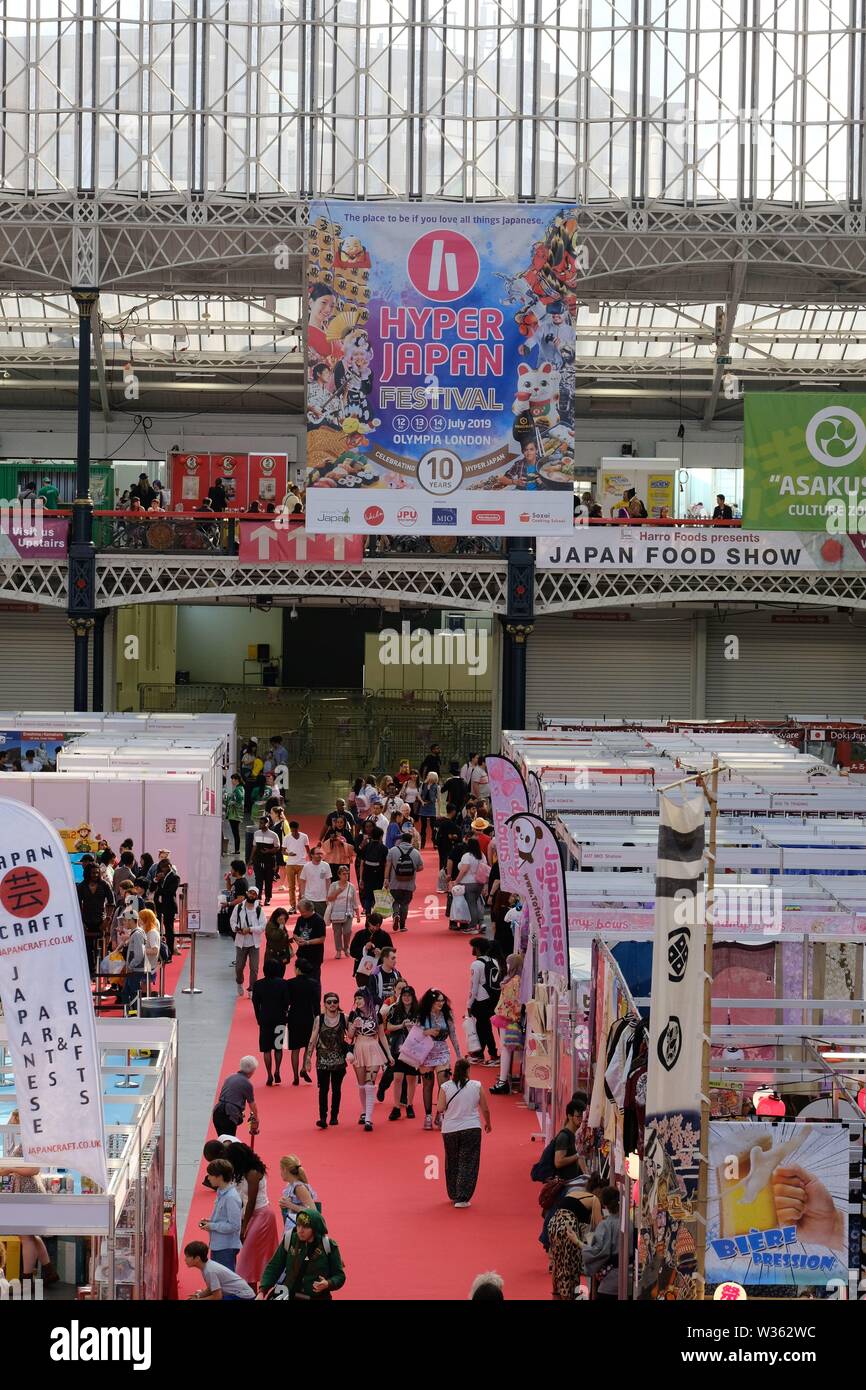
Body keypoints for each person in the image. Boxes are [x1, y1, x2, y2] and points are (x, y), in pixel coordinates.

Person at [437, 1056, 491, 1207]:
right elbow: (485, 1108)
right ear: (468, 1070)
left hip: (450, 1129)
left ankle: (453, 1191)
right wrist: (488, 1123)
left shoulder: (445, 1087)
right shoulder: (476, 1085)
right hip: (471, 1127)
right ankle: (462, 1196)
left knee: (452, 1160)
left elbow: (440, 1108)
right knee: (468, 1161)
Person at [260, 1208, 346, 1301]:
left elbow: (340, 1276)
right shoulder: (290, 1240)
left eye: (305, 1227)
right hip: (289, 1295)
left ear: (314, 1228)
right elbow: (274, 1267)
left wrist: (328, 1283)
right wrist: (262, 1291)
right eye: (298, 1225)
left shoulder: (328, 1246)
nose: (300, 1230)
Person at [230, 1143, 278, 1292]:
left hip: (262, 1216)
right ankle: (254, 1292)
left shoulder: (253, 1173)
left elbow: (251, 1201)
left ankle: (256, 1292)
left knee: (247, 1256)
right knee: (252, 1258)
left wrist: (243, 1227)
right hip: (251, 1216)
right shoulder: (243, 1171)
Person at [548, 1174, 603, 1300]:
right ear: (598, 1189)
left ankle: (556, 1294)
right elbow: (599, 1226)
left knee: (558, 1262)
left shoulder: (576, 1193)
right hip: (568, 1228)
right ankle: (568, 1296)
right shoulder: (594, 1199)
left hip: (554, 1224)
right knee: (570, 1265)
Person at [345, 987, 393, 1131]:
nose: (357, 1001)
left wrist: (389, 1055)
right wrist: (354, 1025)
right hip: (358, 1047)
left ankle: (369, 1118)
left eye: (359, 998)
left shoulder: (377, 1015)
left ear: (366, 999)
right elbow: (349, 1037)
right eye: (356, 999)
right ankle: (364, 1111)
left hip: (373, 1048)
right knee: (361, 1085)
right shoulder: (353, 1015)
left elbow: (382, 1035)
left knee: (369, 1082)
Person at [417, 988, 462, 1130]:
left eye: (442, 1001)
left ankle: (440, 1113)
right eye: (438, 1001)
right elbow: (415, 1034)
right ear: (431, 1001)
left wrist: (459, 1055)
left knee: (444, 1084)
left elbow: (453, 1035)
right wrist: (427, 1032)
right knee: (428, 1085)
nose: (441, 1003)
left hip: (442, 1051)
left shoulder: (446, 1015)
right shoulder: (423, 1016)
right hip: (426, 1052)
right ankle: (428, 1115)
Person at [306, 990, 350, 1127]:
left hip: (339, 1060)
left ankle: (334, 1116)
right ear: (324, 1004)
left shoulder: (345, 1018)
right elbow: (313, 1039)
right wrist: (308, 1058)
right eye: (329, 1002)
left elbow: (352, 1035)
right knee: (323, 1089)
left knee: (336, 1089)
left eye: (335, 1002)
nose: (332, 1004)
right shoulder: (319, 1019)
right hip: (322, 1060)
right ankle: (323, 1117)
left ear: (338, 1003)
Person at [251, 958, 291, 1086]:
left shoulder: (258, 984)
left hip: (265, 1018)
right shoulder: (284, 983)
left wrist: (258, 1016)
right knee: (278, 1047)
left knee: (266, 1049)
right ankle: (277, 1070)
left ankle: (269, 1074)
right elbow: (287, 1001)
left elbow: (255, 1002)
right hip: (280, 1018)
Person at [199, 1158, 244, 1271]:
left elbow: (234, 1225)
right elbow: (224, 1218)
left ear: (219, 1177)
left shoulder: (231, 1197)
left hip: (225, 1247)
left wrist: (212, 1226)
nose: (208, 1178)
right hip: (220, 1244)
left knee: (225, 1281)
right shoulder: (222, 1192)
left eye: (210, 1175)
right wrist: (211, 1222)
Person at [490, 953, 525, 1094]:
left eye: (509, 963)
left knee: (505, 1049)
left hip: (508, 1018)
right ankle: (503, 1079)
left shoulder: (514, 981)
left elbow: (511, 1002)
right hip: (509, 1018)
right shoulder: (515, 979)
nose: (507, 965)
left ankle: (503, 1081)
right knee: (506, 1048)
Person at [385, 982, 420, 1121]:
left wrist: (414, 1027)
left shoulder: (418, 1011)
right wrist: (401, 1025)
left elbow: (423, 1028)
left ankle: (410, 1105)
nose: (406, 998)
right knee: (398, 1078)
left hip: (413, 1049)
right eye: (404, 995)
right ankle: (397, 1107)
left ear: (413, 997)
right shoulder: (394, 1009)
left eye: (409, 995)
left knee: (411, 1078)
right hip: (398, 1047)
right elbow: (388, 1026)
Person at [466, 936, 501, 1066]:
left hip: (481, 1000)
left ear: (478, 948)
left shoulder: (476, 964)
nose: (472, 951)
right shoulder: (494, 961)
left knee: (484, 1028)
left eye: (473, 948)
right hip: (493, 999)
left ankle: (490, 1054)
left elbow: (473, 986)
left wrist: (469, 1004)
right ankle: (481, 1054)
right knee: (483, 1028)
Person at [581, 1187, 621, 1299]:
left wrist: (578, 1242)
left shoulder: (605, 1225)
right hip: (630, 1275)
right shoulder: (629, 1222)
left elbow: (596, 1252)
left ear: (604, 1204)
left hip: (611, 1278)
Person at [285, 957, 320, 1085]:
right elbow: (316, 1003)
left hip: (294, 1017)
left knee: (295, 1048)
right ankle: (304, 1069)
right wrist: (318, 1018)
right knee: (307, 1045)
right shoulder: (314, 983)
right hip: (308, 1017)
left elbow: (287, 1001)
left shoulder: (289, 983)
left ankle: (295, 1077)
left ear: (298, 969)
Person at [77, 861, 115, 975]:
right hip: (86, 922)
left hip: (101, 922)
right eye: (93, 873)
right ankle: (90, 972)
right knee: (88, 949)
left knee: (100, 949)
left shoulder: (105, 885)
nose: (95, 875)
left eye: (97, 873)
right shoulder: (81, 886)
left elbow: (111, 903)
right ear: (88, 873)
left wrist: (107, 920)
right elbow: (77, 905)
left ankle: (100, 971)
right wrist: (81, 923)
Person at [184, 1241, 256, 1300]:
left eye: (187, 1256)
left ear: (197, 1258)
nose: (185, 1259)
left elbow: (217, 1297)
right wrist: (198, 1296)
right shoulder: (207, 1266)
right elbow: (211, 1288)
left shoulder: (209, 1271)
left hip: (243, 1296)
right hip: (240, 1294)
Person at [383, 826, 423, 933]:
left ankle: (396, 915)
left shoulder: (393, 850)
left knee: (395, 901)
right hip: (409, 883)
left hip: (395, 882)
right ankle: (402, 925)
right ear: (410, 840)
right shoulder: (415, 852)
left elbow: (388, 865)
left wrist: (386, 879)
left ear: (400, 840)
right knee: (405, 903)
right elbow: (421, 867)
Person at [212, 1056, 260, 1139]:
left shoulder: (229, 1078)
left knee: (222, 1140)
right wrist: (256, 1118)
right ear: (252, 1071)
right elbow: (252, 1104)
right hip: (229, 1114)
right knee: (229, 1142)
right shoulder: (247, 1084)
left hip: (217, 1111)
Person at [232, 883, 265, 997]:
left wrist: (250, 929)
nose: (252, 895)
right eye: (250, 893)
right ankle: (239, 982)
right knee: (239, 967)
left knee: (254, 968)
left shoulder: (259, 910)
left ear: (257, 896)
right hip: (241, 942)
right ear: (247, 893)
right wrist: (237, 929)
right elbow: (232, 921)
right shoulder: (239, 907)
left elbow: (262, 927)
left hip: (254, 943)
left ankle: (252, 988)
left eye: (254, 894)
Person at [453, 836, 487, 933]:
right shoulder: (482, 855)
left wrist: (456, 881)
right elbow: (485, 869)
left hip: (468, 883)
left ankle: (472, 926)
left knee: (471, 904)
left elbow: (464, 870)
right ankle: (480, 923)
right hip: (479, 883)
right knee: (477, 903)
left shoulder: (467, 856)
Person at [326, 863, 359, 959]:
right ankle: (338, 950)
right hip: (336, 913)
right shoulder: (334, 885)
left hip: (348, 912)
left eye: (347, 874)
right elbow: (329, 898)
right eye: (344, 874)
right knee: (337, 933)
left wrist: (357, 914)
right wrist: (337, 892)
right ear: (339, 875)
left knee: (347, 931)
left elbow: (354, 901)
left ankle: (346, 948)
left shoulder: (351, 886)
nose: (346, 876)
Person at [278, 1156, 318, 1235]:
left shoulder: (299, 1187)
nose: (280, 1173)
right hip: (295, 1227)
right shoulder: (290, 1185)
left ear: (285, 1170)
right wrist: (284, 1205)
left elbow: (313, 1211)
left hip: (302, 1230)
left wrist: (290, 1205)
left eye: (280, 1169)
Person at [349, 911, 392, 979]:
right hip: (362, 969)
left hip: (380, 969)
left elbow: (391, 953)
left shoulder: (385, 936)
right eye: (373, 925)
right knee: (364, 989)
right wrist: (364, 949)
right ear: (369, 923)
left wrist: (381, 953)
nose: (375, 928)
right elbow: (352, 952)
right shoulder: (359, 935)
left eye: (378, 926)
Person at [358, 822, 388, 916]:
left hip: (367, 874)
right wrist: (387, 878)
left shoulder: (366, 847)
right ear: (380, 837)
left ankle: (367, 914)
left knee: (368, 897)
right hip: (379, 875)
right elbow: (387, 864)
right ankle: (377, 916)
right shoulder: (384, 848)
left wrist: (361, 878)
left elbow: (362, 864)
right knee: (378, 896)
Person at [292, 899, 327, 978]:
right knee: (300, 977)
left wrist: (307, 942)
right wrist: (298, 939)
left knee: (314, 978)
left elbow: (322, 939)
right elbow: (295, 933)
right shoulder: (300, 919)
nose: (302, 914)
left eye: (303, 912)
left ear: (310, 910)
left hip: (314, 955)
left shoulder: (319, 920)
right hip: (302, 953)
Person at [153, 856, 180, 957]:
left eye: (164, 867)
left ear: (169, 866)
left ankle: (170, 952)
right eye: (161, 868)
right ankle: (160, 951)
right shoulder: (160, 877)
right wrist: (156, 880)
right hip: (159, 905)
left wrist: (160, 890)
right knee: (158, 927)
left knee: (169, 929)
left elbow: (170, 891)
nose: (162, 870)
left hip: (169, 906)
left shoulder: (175, 877)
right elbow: (152, 887)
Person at [251, 814, 280, 906]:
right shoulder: (256, 833)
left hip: (269, 860)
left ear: (268, 824)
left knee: (268, 880)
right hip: (258, 860)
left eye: (263, 823)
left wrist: (269, 851)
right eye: (260, 823)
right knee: (258, 880)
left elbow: (277, 847)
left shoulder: (273, 835)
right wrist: (250, 860)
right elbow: (254, 847)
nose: (261, 824)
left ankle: (267, 898)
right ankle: (258, 897)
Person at [282, 819, 310, 910]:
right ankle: (293, 905)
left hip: (302, 863)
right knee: (291, 886)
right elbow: (283, 851)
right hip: (290, 864)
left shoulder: (304, 836)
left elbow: (308, 849)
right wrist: (288, 854)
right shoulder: (287, 837)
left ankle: (301, 904)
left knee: (302, 886)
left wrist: (310, 860)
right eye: (292, 830)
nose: (294, 832)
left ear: (298, 828)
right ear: (290, 829)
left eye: (295, 830)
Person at [299, 843, 332, 918]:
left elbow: (328, 881)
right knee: (310, 920)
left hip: (322, 898)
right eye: (317, 854)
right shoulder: (306, 866)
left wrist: (328, 895)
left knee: (322, 920)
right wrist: (303, 895)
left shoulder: (326, 865)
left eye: (321, 853)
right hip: (309, 898)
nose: (320, 855)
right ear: (312, 855)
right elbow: (302, 881)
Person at [263, 906, 293, 974]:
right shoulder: (270, 925)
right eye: (281, 918)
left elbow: (283, 936)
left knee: (281, 974)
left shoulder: (280, 925)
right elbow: (275, 937)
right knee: (271, 976)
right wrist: (281, 926)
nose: (283, 921)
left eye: (285, 919)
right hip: (272, 955)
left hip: (282, 956)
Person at [224, 773, 245, 854]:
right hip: (238, 814)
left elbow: (239, 798)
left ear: (236, 780)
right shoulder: (241, 788)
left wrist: (232, 802)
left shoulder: (237, 789)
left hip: (234, 814)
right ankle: (237, 849)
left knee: (235, 833)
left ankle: (237, 850)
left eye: (232, 779)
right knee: (236, 833)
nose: (231, 781)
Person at [418, 770, 440, 848]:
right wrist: (422, 802)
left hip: (432, 807)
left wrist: (438, 812)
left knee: (433, 826)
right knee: (423, 826)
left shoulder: (437, 787)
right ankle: (423, 842)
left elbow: (438, 799)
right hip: (423, 807)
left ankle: (434, 842)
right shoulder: (423, 785)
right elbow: (419, 794)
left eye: (429, 776)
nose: (427, 777)